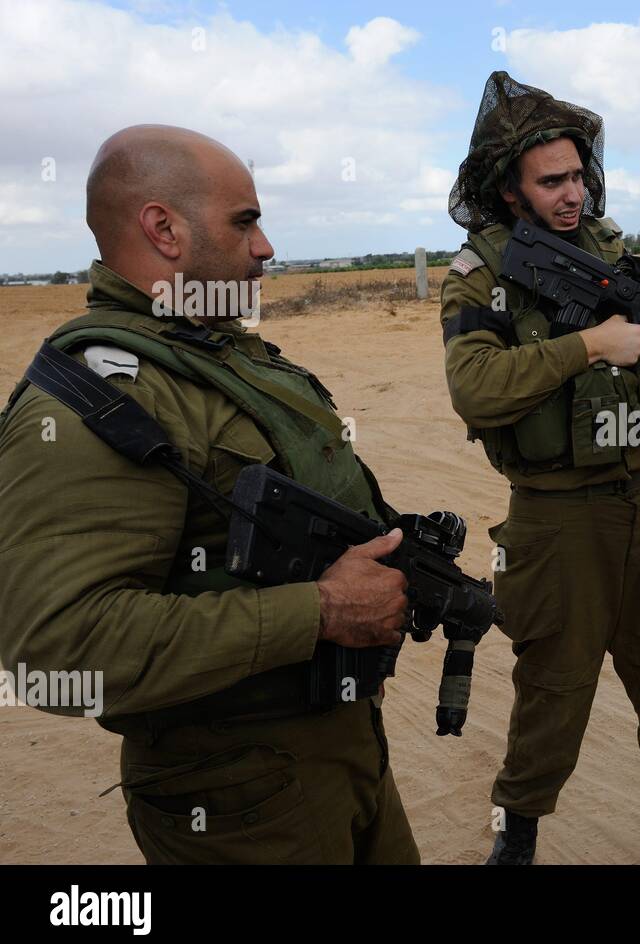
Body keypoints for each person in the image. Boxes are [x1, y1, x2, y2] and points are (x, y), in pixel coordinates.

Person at [0, 125, 420, 864]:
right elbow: (60, 649)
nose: (265, 247)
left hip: (340, 754)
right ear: (163, 228)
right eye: (245, 221)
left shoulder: (210, 354)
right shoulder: (98, 396)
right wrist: (319, 611)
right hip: (236, 801)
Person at [440, 72, 640, 865]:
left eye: (578, 175)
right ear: (511, 191)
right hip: (556, 514)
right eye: (551, 181)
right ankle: (518, 834)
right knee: (554, 687)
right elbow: (474, 387)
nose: (572, 193)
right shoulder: (481, 273)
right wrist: (587, 346)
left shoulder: (614, 255)